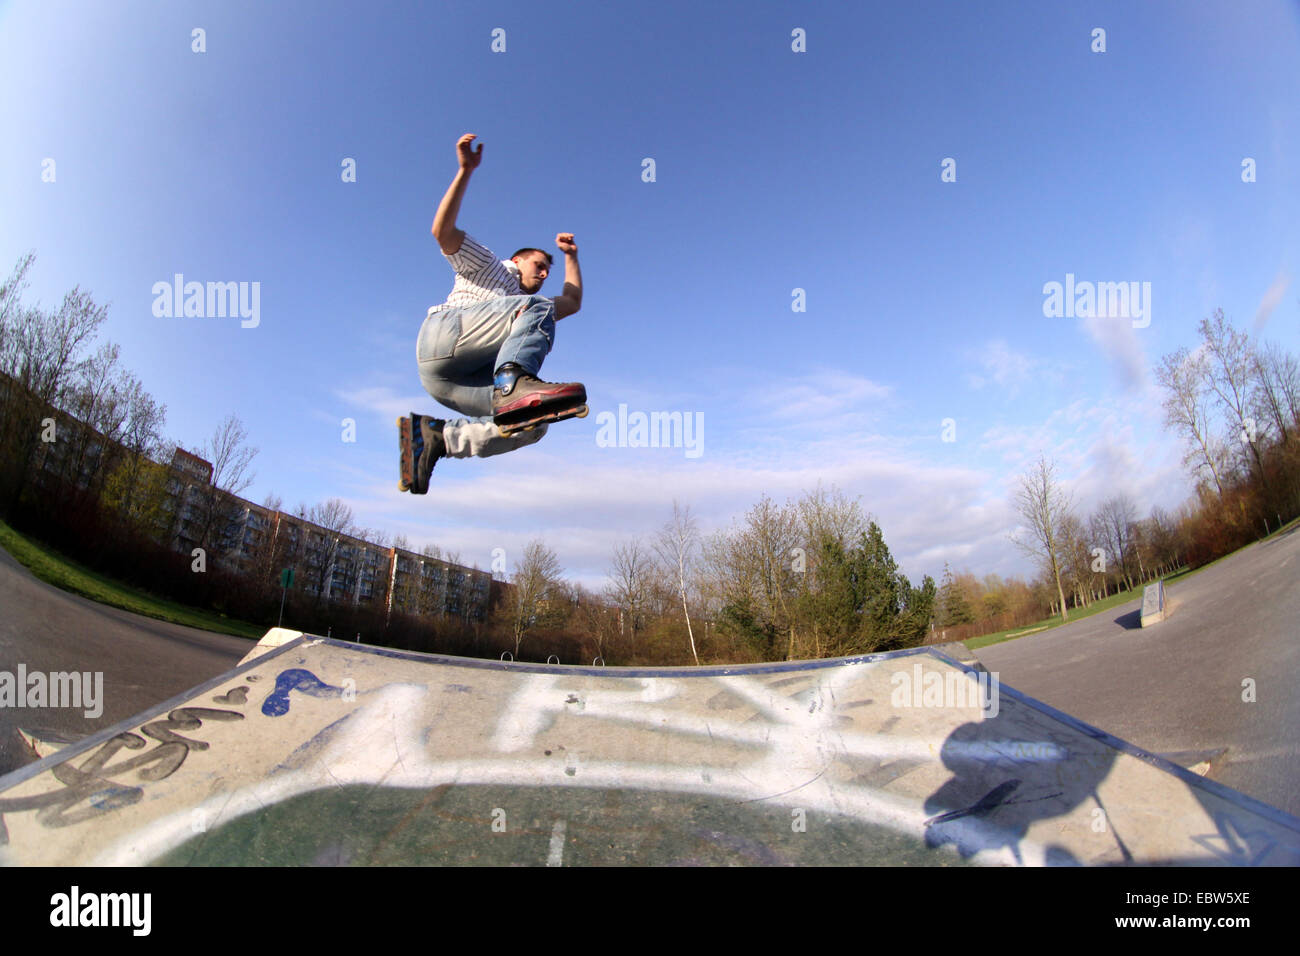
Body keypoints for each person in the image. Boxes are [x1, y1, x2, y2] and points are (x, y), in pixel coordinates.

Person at [400, 133, 587, 494]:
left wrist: (570, 256)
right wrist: (465, 171)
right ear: (517, 260)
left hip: (448, 384)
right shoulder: (490, 266)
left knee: (532, 423)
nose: (545, 273)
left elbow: (573, 302)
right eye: (539, 264)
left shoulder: (528, 310)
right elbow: (442, 232)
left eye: (549, 270)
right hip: (442, 338)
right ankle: (513, 381)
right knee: (535, 307)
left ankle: (437, 439)